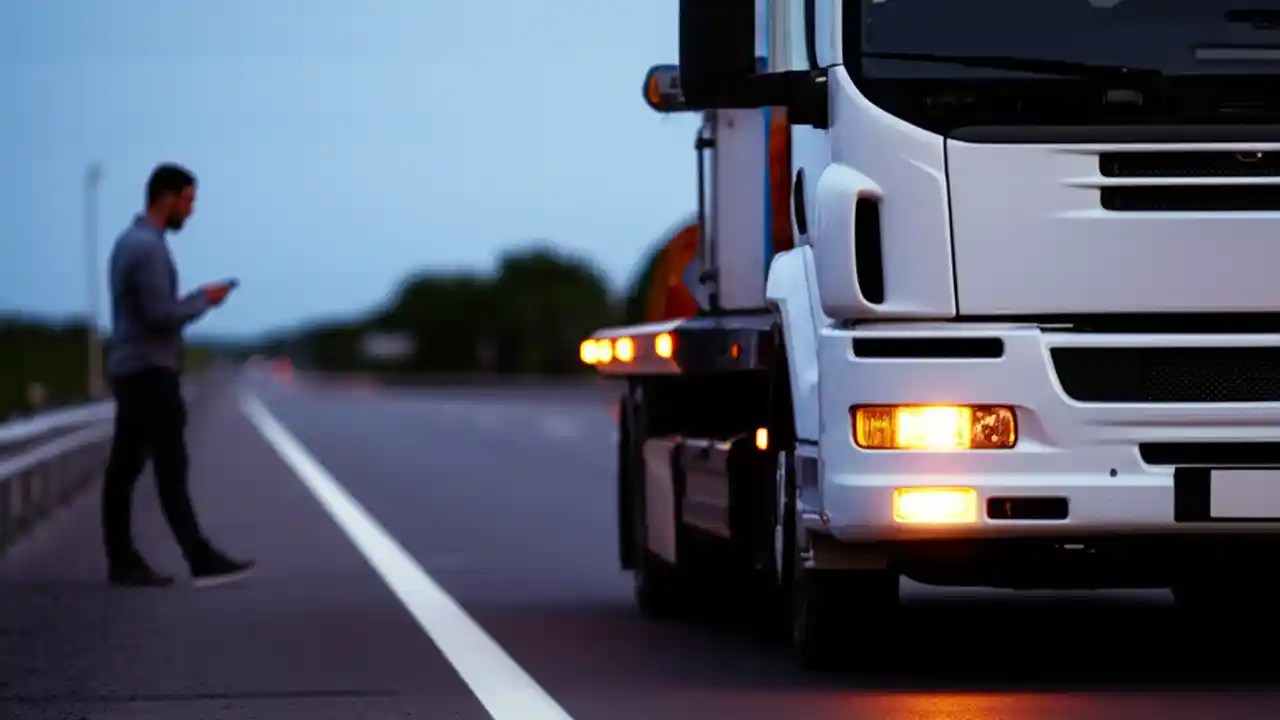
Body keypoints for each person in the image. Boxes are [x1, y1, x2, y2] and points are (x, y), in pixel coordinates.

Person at [102, 162, 254, 588]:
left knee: (126, 468)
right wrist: (204, 299)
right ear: (166, 197)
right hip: (149, 373)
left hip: (133, 370)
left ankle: (124, 560)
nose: (190, 210)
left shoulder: (130, 242)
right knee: (168, 466)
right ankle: (198, 558)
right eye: (188, 200)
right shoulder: (147, 248)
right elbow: (160, 316)